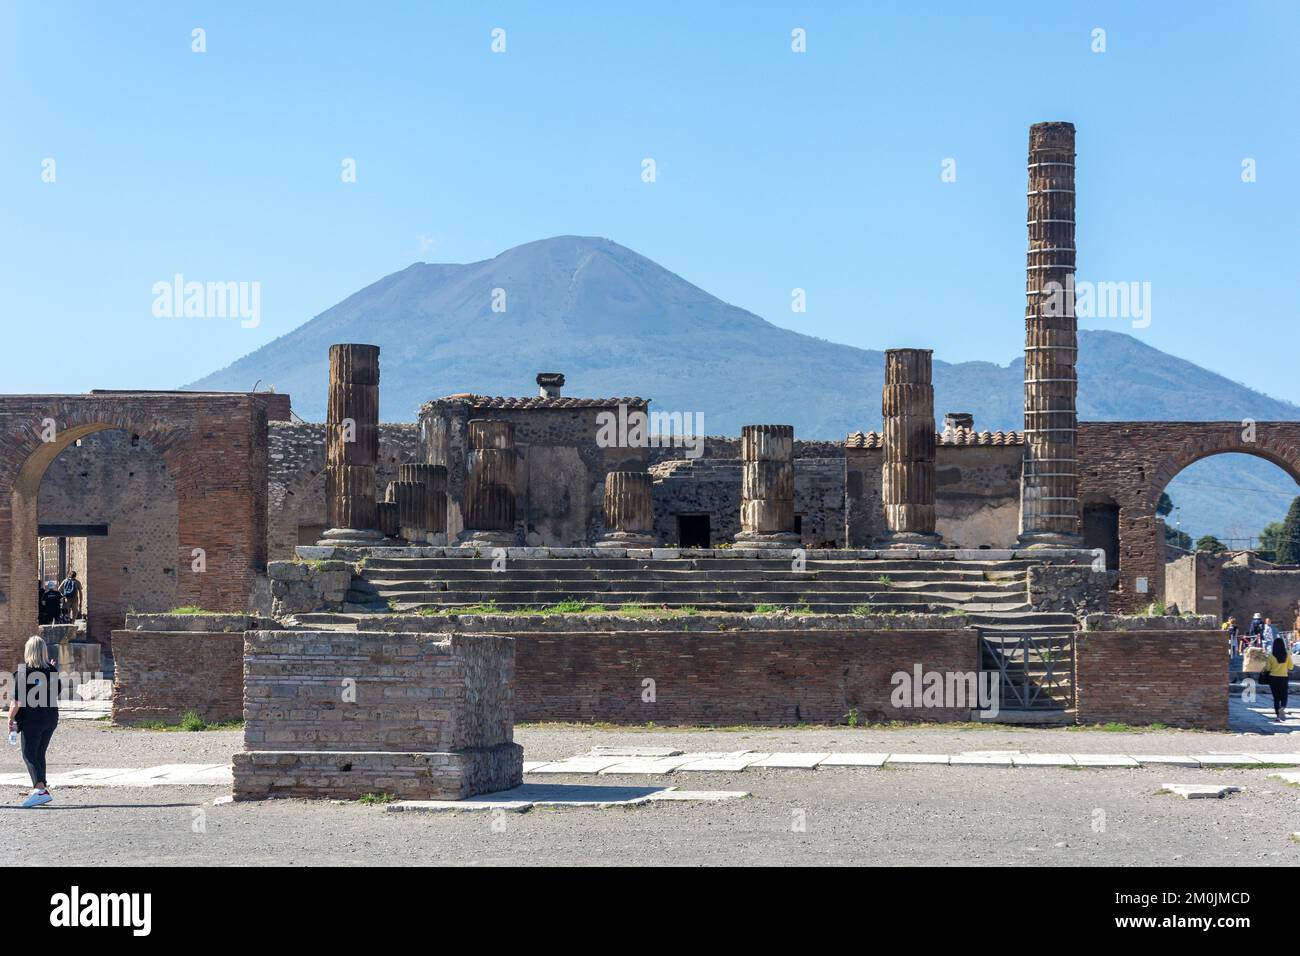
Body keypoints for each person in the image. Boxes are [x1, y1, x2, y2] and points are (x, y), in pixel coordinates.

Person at [7, 635, 60, 807]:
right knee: (39, 753)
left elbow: (17, 701)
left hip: (33, 719)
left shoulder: (23, 672)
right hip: (50, 718)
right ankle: (41, 788)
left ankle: (39, 790)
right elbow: (56, 692)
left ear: (28, 651)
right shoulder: (51, 670)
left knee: (29, 754)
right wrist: (52, 669)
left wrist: (10, 717)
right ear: (43, 651)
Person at [1263, 635, 1294, 722]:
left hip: (1273, 678)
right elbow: (1291, 667)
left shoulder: (1271, 655)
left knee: (1276, 698)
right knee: (1284, 696)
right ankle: (1283, 707)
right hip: (1283, 678)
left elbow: (1268, 668)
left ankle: (1277, 717)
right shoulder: (1287, 654)